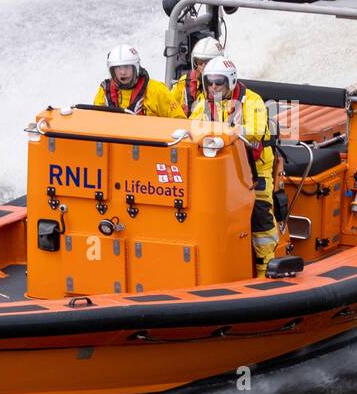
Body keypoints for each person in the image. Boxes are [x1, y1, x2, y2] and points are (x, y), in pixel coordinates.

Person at [190, 55, 278, 276]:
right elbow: (191, 126)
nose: (213, 87)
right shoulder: (204, 103)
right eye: (209, 82)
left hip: (254, 168)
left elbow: (256, 129)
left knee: (260, 214)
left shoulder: (252, 101)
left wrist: (230, 131)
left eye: (218, 82)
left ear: (230, 81)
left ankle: (266, 267)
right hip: (220, 171)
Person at [94, 45, 183, 117]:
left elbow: (179, 121)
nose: (123, 72)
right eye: (118, 68)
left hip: (148, 138)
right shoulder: (105, 91)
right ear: (112, 71)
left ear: (136, 67)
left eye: (127, 67)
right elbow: (95, 119)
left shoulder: (157, 90)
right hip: (112, 138)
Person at [170, 36, 223, 114]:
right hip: (183, 125)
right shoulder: (185, 81)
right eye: (200, 63)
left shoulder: (224, 87)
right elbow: (168, 104)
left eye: (207, 63)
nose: (202, 67)